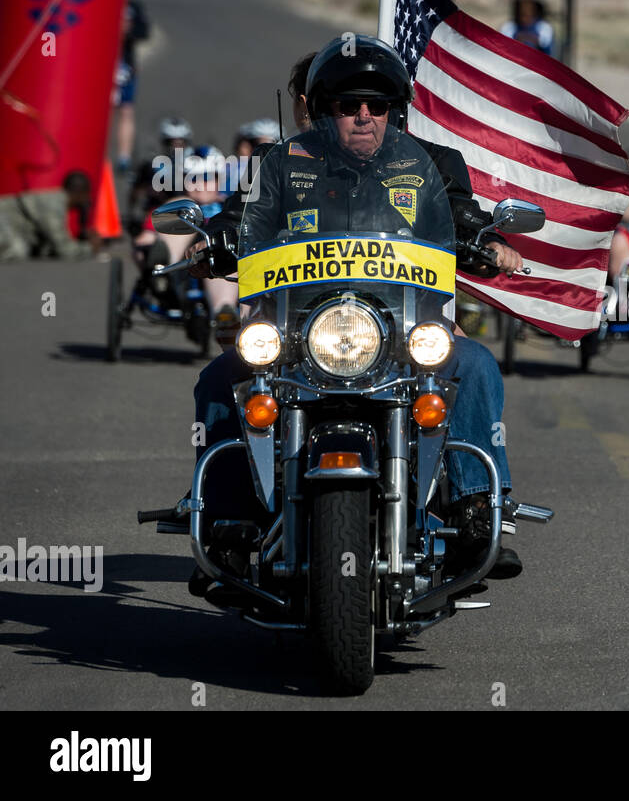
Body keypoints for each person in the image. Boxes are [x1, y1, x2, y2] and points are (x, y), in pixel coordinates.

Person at [189, 35, 527, 590]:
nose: (364, 116)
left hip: (403, 332)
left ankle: (475, 508)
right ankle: (227, 523)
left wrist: (489, 242)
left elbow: (464, 216)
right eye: (349, 106)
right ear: (325, 112)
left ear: (395, 110)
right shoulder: (284, 165)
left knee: (476, 364)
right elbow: (239, 216)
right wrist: (213, 242)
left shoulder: (433, 166)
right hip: (299, 332)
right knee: (221, 377)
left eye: (377, 105)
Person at [112, 0, 151, 173]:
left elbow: (144, 31)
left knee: (126, 110)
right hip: (101, 63)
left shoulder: (133, 5)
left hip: (125, 66)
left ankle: (124, 157)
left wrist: (128, 32)